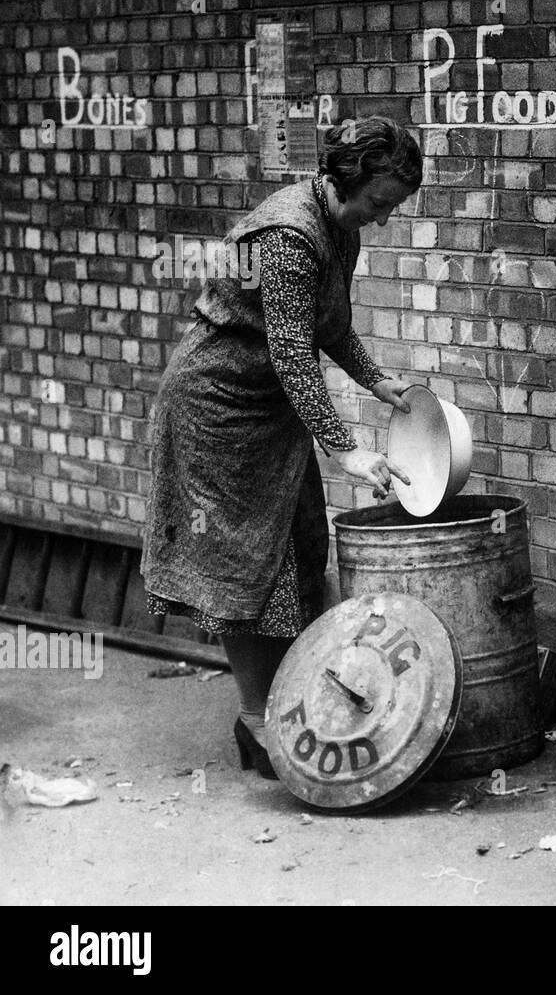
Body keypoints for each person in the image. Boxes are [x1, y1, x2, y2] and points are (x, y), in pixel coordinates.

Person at [142, 116, 422, 778]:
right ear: (345, 178)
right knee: (244, 558)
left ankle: (293, 702)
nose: (381, 220)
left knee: (296, 544)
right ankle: (255, 721)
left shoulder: (339, 229)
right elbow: (292, 349)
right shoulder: (291, 237)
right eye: (379, 205)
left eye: (392, 210)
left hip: (270, 405)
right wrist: (347, 448)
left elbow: (331, 325)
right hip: (217, 406)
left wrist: (376, 379)